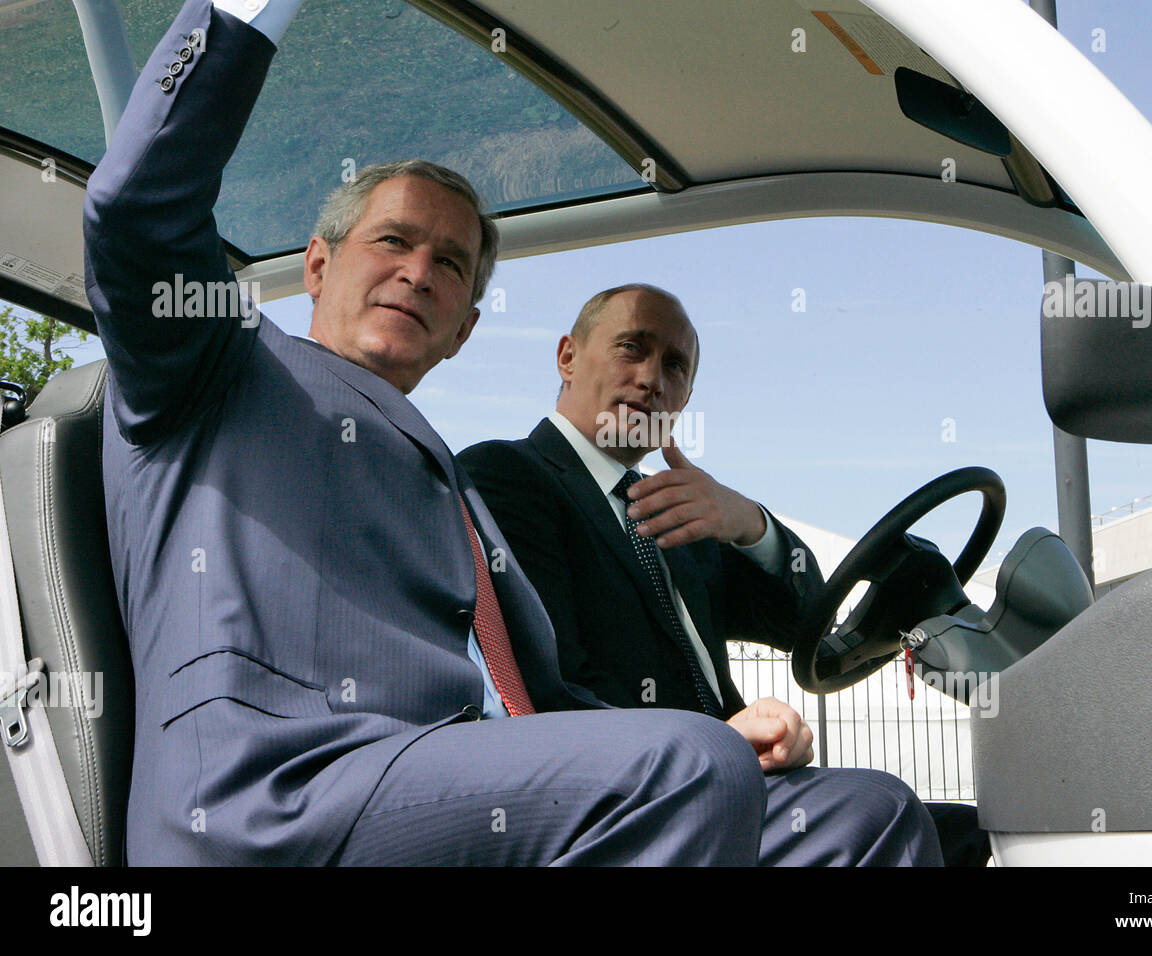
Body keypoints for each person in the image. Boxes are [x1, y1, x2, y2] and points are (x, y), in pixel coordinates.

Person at [87, 0, 941, 865]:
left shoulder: (450, 483)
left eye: (451, 265)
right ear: (317, 264)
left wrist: (730, 737)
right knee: (688, 764)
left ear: (464, 327)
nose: (419, 273)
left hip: (466, 792)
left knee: (866, 810)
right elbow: (136, 214)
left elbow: (542, 704)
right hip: (281, 794)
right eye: (393, 241)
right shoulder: (218, 365)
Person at [458, 284, 991, 865]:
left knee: (971, 831)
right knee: (881, 807)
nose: (651, 380)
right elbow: (548, 690)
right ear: (567, 356)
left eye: (675, 366)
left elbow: (804, 621)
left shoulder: (681, 512)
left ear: (686, 397)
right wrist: (717, 744)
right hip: (629, 802)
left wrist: (751, 525)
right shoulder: (510, 475)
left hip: (731, 783)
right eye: (631, 348)